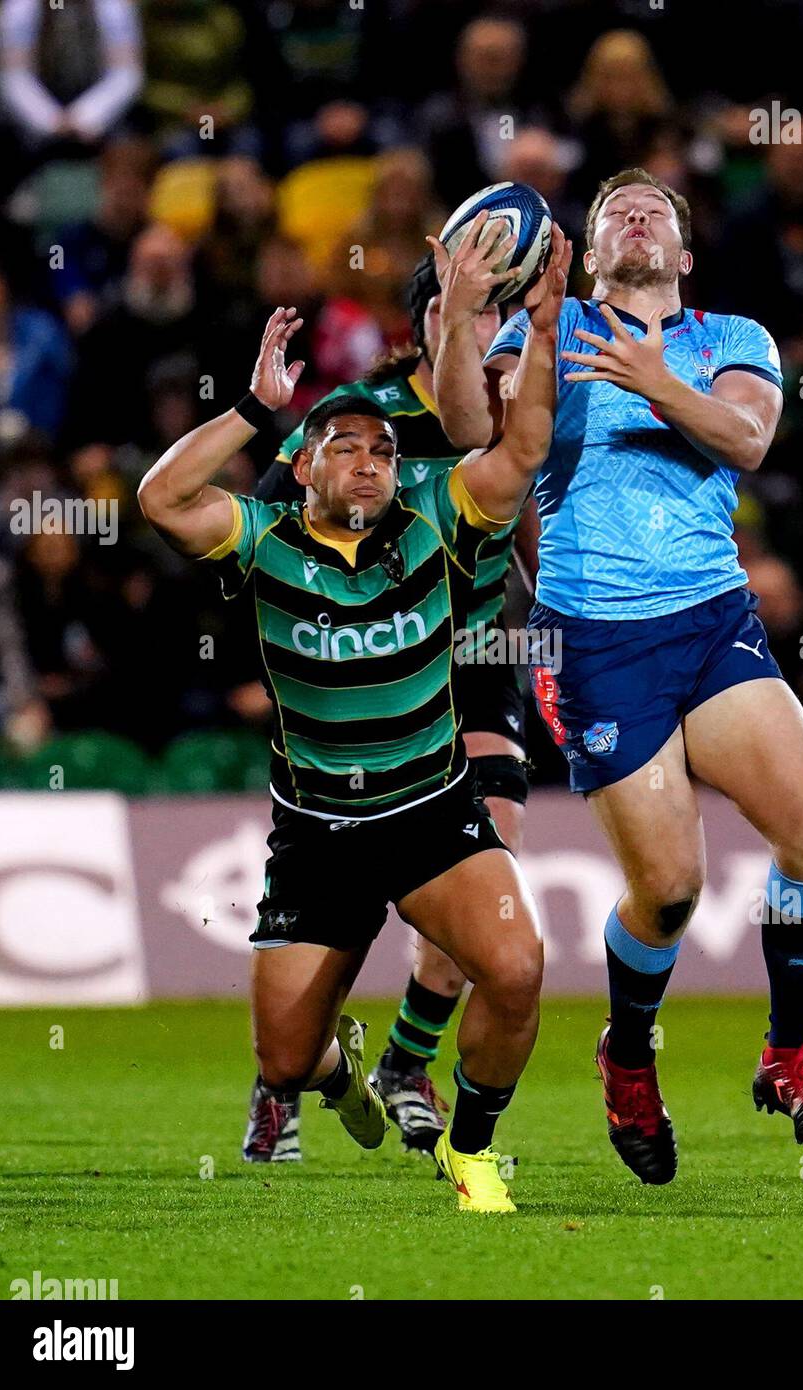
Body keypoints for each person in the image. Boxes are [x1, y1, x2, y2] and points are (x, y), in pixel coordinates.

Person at [433, 168, 803, 1185]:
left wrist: (655, 380)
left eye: (656, 211)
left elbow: (747, 437)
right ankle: (626, 1059)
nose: (636, 216)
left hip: (713, 621)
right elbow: (463, 430)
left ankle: (786, 1048)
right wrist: (456, 313)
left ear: (683, 254)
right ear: (580, 245)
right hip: (598, 639)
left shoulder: (731, 339)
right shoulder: (550, 327)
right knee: (666, 893)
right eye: (616, 209)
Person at [137, 231, 568, 1213]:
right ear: (300, 464)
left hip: (428, 810)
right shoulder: (260, 541)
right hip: (318, 834)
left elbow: (524, 446)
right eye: (344, 445)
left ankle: (468, 1147)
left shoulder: (440, 521)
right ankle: (338, 1074)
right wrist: (253, 406)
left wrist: (538, 328)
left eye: (383, 448)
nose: (371, 460)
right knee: (284, 1057)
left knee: (517, 968)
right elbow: (160, 496)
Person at [242, 241, 533, 1162]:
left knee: (497, 842)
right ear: (430, 323)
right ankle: (289, 1072)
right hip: (350, 655)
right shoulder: (362, 421)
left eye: (504, 315)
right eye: (479, 311)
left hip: (468, 649)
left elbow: (526, 515)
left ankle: (407, 1062)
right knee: (290, 1022)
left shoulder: (509, 407)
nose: (496, 333)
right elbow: (267, 520)